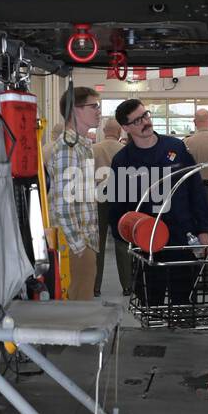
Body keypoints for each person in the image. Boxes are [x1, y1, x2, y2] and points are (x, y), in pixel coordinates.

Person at [110, 99, 208, 306]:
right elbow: (118, 208)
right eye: (137, 120)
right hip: (145, 243)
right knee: (150, 304)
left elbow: (195, 189)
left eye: (145, 115)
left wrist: (203, 229)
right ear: (126, 128)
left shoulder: (176, 147)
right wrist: (127, 237)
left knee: (183, 304)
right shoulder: (122, 160)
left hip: (181, 238)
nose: (146, 122)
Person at [46, 87, 100, 301]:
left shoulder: (83, 147)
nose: (98, 111)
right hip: (75, 244)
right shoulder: (68, 149)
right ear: (74, 110)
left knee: (81, 304)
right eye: (93, 106)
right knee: (77, 309)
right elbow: (62, 205)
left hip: (83, 240)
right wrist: (79, 246)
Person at [92, 117, 132, 296]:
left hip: (99, 195)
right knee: (122, 240)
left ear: (103, 131)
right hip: (121, 196)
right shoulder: (126, 150)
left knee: (98, 242)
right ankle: (127, 285)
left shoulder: (94, 149)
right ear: (118, 132)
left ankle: (96, 286)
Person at [184, 107, 208, 247]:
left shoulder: (186, 143)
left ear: (195, 122)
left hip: (194, 191)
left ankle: (197, 261)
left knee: (195, 225)